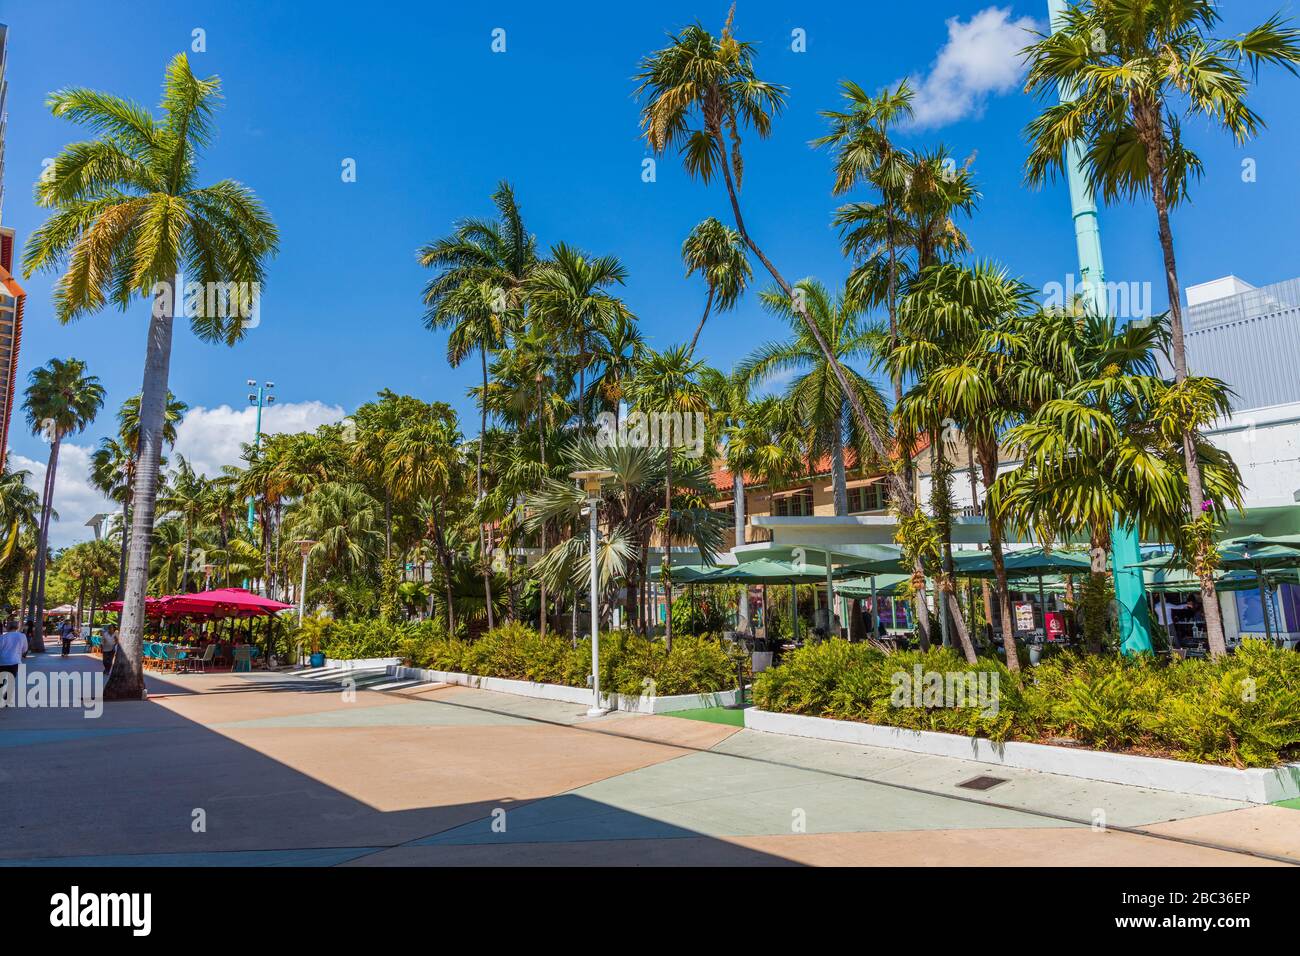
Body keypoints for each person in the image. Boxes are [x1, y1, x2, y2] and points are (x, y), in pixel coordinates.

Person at [0, 618, 28, 706]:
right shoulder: (22, 636)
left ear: (7, 627)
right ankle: (7, 699)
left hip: (3, 661)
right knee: (11, 681)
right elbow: (25, 649)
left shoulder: (3, 637)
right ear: (16, 627)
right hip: (15, 661)